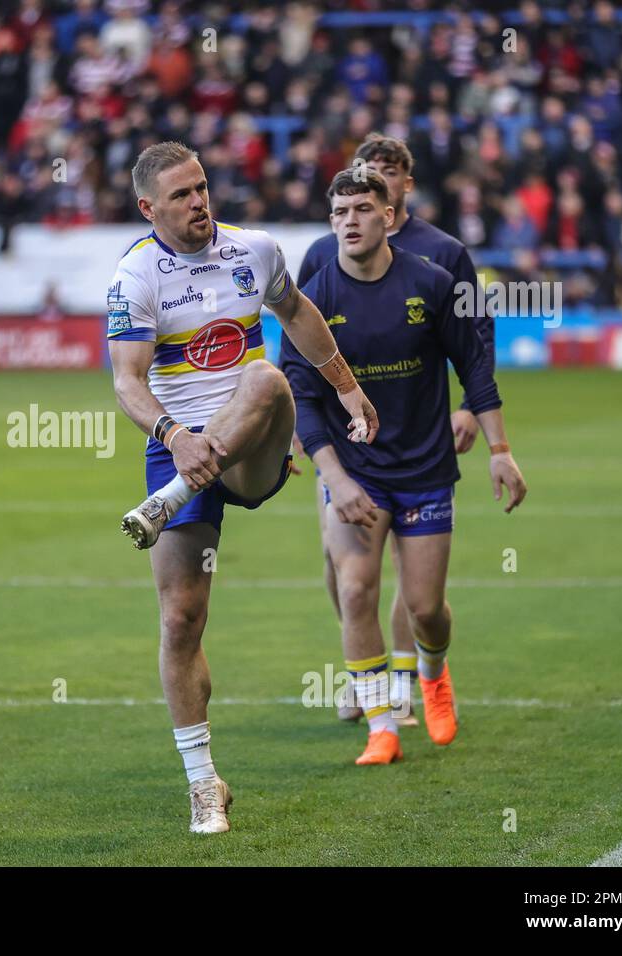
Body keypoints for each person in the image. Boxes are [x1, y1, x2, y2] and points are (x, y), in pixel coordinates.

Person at [108, 141, 378, 834]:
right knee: (180, 619)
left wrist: (348, 390)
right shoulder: (135, 274)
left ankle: (167, 501)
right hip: (180, 448)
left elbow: (298, 317)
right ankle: (204, 784)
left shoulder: (254, 250)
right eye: (181, 195)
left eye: (201, 186)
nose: (199, 201)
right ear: (149, 208)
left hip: (252, 450)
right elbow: (127, 381)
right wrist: (176, 438)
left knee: (264, 376)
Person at [283, 168, 526, 766]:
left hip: (424, 467)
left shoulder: (433, 282)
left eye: (363, 210)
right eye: (339, 213)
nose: (350, 222)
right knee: (357, 588)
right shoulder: (313, 299)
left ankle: (434, 675)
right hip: (354, 472)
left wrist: (499, 451)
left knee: (424, 609)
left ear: (389, 217)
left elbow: (474, 367)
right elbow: (301, 394)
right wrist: (333, 477)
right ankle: (381, 725)